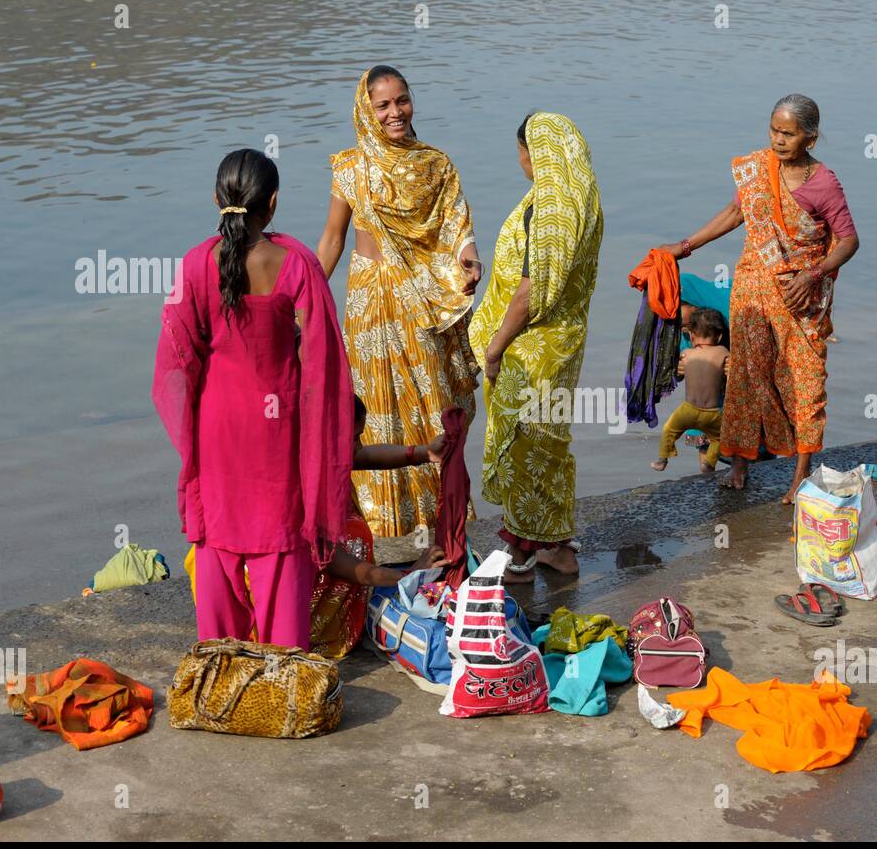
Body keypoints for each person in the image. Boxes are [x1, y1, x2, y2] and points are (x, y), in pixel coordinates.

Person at [153, 148, 354, 651]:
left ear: (217, 199)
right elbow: (322, 366)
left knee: (219, 542)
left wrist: (191, 438)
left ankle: (221, 671)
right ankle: (284, 671)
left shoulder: (197, 263)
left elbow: (176, 365)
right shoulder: (298, 263)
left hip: (218, 427)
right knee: (282, 545)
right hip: (277, 428)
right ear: (274, 202)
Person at [660, 94, 859, 502]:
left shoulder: (823, 183)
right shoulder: (759, 170)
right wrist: (685, 246)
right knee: (747, 377)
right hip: (752, 286)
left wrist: (812, 274)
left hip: (799, 297)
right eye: (774, 130)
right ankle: (738, 466)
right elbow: (736, 214)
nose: (778, 140)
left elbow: (849, 240)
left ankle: (801, 475)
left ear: (811, 138)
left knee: (804, 383)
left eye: (788, 133)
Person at [318, 64, 483, 539]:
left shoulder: (436, 164)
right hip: (370, 304)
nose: (395, 113)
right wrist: (298, 298)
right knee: (372, 412)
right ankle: (382, 528)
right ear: (366, 111)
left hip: (421, 304)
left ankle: (441, 525)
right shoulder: (351, 168)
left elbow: (457, 232)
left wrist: (469, 259)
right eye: (383, 105)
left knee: (431, 405)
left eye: (402, 100)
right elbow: (332, 241)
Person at [181, 395, 449, 658]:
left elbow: (364, 456)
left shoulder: (310, 448)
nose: (357, 446)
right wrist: (409, 576)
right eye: (352, 438)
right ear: (324, 436)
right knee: (353, 533)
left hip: (273, 566)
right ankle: (304, 629)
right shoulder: (295, 485)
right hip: (257, 600)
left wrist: (424, 453)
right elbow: (337, 562)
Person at [468, 112, 603, 583]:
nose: (521, 161)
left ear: (535, 153)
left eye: (522, 151)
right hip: (564, 343)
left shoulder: (545, 209)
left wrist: (495, 348)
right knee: (548, 444)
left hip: (531, 348)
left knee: (524, 445)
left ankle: (521, 556)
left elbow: (530, 291)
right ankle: (557, 549)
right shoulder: (583, 198)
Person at [653, 308, 728, 473]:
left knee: (669, 430)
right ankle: (709, 463)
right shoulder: (723, 352)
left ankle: (662, 459)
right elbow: (731, 372)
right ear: (720, 336)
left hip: (689, 410)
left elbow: (675, 374)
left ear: (692, 336)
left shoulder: (686, 354)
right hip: (712, 412)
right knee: (719, 438)